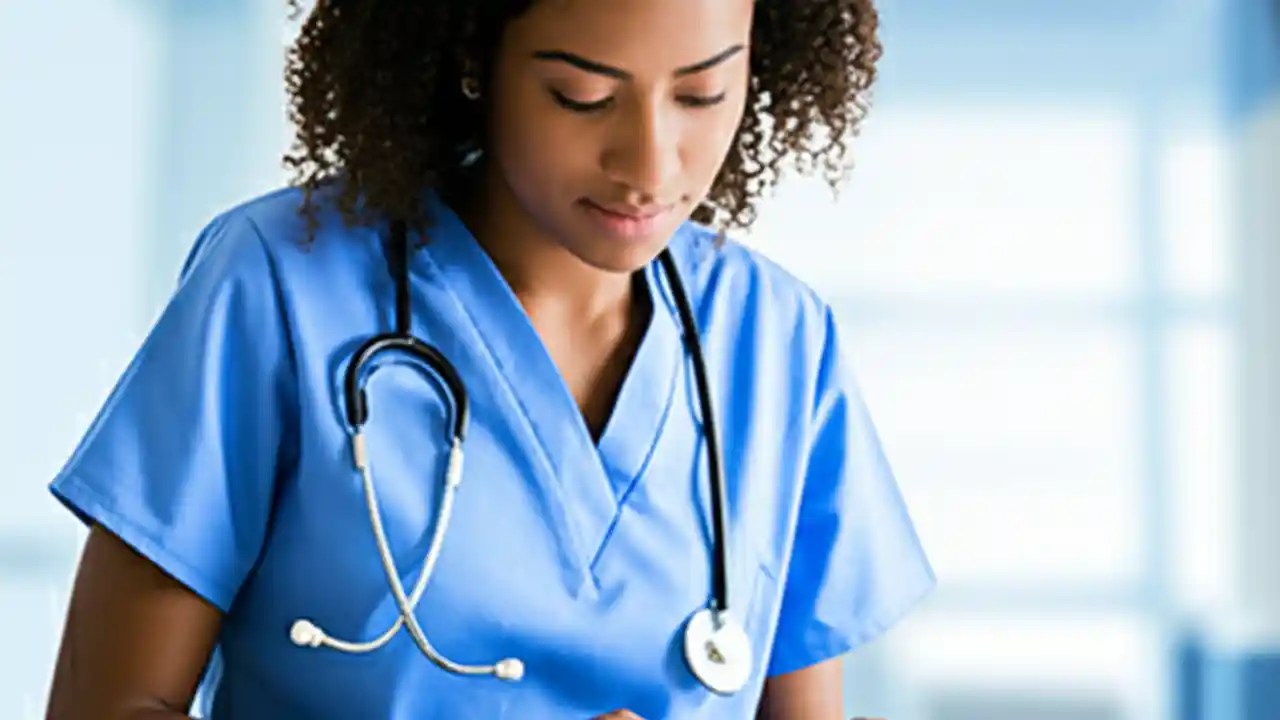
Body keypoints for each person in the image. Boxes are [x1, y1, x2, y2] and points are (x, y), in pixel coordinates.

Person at [44, 0, 934, 718]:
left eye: (702, 95)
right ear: (476, 59)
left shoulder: (777, 341)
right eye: (582, 96)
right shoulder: (279, 287)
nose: (649, 164)